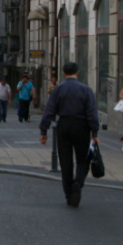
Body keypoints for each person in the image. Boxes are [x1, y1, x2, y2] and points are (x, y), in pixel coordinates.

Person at [39, 62, 100, 207]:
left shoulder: (58, 89)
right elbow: (92, 113)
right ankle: (78, 182)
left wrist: (44, 130)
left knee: (65, 161)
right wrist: (94, 132)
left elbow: (49, 110)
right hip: (82, 126)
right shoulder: (86, 89)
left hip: (64, 125)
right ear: (77, 72)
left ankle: (68, 193)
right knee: (82, 160)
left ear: (64, 73)